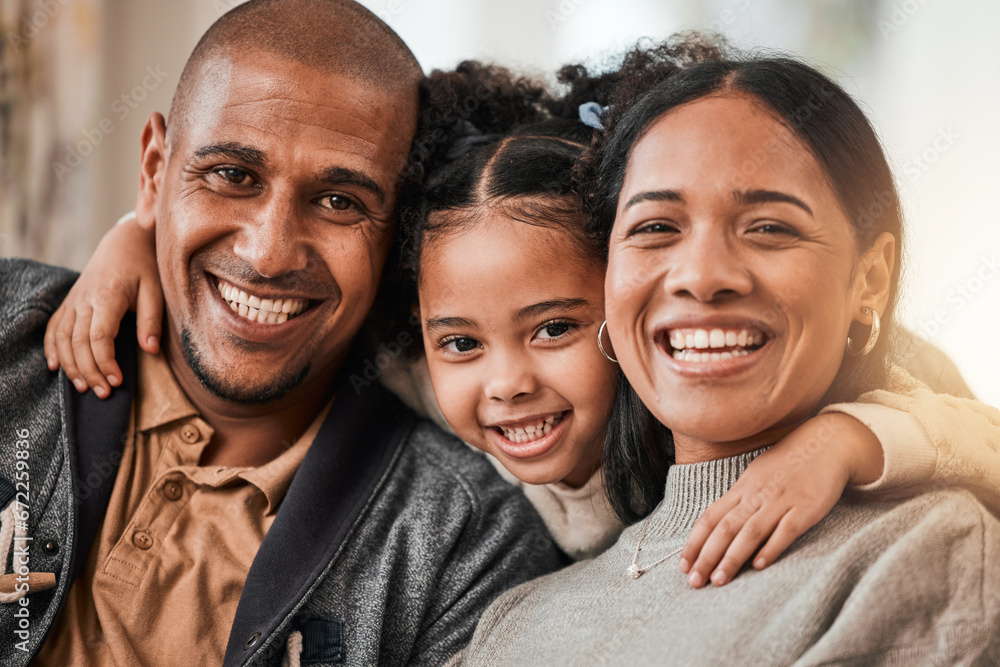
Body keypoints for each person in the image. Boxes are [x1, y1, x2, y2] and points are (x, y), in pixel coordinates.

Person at [48, 53, 1000, 591]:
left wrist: (842, 438)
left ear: (627, 280)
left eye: (554, 328)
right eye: (460, 340)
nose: (505, 380)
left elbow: (977, 435)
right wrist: (136, 241)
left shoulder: (713, 385)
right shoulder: (412, 366)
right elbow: (269, 297)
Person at [0, 1, 565, 665]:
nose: (268, 254)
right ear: (154, 171)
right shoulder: (13, 330)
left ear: (401, 237)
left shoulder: (462, 542)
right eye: (232, 175)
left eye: (340, 201)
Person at [454, 39, 1000, 665]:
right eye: (655, 227)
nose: (703, 276)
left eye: (770, 227)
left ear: (869, 279)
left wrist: (851, 437)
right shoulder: (512, 620)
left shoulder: (925, 549)